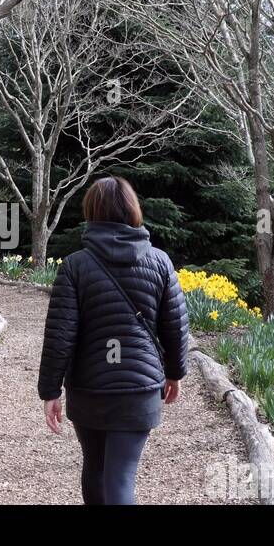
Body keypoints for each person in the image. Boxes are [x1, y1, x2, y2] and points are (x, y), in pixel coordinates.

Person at [38, 175, 189, 505]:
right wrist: (175, 372)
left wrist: (50, 391)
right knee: (120, 476)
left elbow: (60, 335)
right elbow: (175, 326)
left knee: (95, 469)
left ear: (91, 211)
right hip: (139, 389)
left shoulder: (75, 266)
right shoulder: (160, 262)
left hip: (90, 388)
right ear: (133, 210)